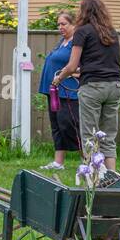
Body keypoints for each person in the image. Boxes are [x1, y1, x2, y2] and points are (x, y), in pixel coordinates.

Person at [53, 0, 120, 170]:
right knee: (108, 135)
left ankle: (95, 176)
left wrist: (58, 78)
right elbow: (107, 63)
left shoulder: (82, 32)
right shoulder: (111, 32)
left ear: (83, 12)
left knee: (90, 135)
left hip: (92, 88)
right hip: (114, 86)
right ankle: (111, 175)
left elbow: (72, 65)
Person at [38, 11, 81, 170]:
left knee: (70, 124)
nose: (60, 27)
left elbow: (83, 67)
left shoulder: (77, 43)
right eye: (59, 24)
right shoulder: (62, 42)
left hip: (68, 90)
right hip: (54, 90)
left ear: (74, 24)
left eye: (64, 24)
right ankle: (58, 162)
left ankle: (86, 159)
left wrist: (70, 73)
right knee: (56, 125)